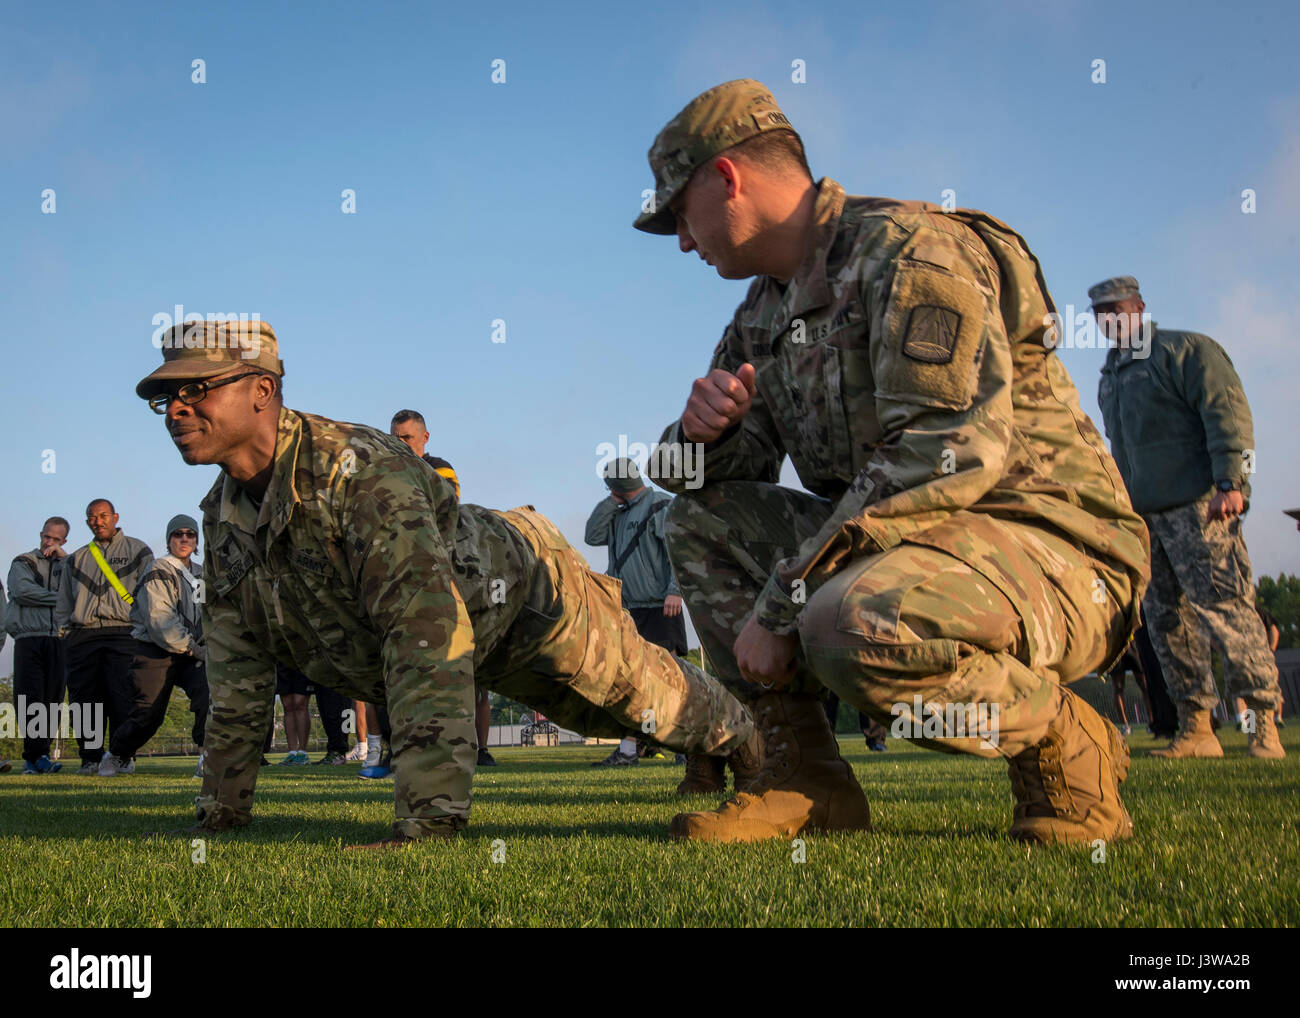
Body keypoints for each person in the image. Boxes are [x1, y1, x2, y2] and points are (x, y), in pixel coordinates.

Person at [637, 79, 1149, 845]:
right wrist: (694, 438)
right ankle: (806, 781)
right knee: (701, 521)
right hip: (911, 556)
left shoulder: (912, 253)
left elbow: (941, 457)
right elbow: (699, 482)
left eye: (680, 212)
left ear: (726, 178)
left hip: (1056, 551)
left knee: (850, 619)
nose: (682, 239)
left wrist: (783, 605)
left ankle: (1064, 736)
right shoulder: (763, 316)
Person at [136, 318, 752, 847]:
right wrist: (221, 814)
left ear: (263, 390)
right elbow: (237, 676)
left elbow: (422, 631)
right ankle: (704, 749)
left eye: (198, 389)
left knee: (632, 690)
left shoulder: (356, 472)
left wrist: (429, 821)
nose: (178, 409)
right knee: (604, 714)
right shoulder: (222, 518)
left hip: (530, 588)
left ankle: (753, 745)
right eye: (167, 397)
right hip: (474, 630)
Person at [1093, 275, 1285, 760]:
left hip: (1201, 508)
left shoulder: (1186, 351)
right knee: (1165, 623)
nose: (1109, 321)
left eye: (1118, 310)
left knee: (1227, 610)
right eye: (1100, 315)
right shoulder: (1110, 376)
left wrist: (1232, 485)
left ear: (1138, 308)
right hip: (1145, 521)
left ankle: (1265, 723)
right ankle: (1196, 728)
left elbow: (1229, 416)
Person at [584, 457, 762, 790]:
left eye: (611, 486)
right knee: (627, 678)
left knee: (674, 679)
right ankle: (628, 749)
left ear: (618, 485)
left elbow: (675, 551)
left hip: (661, 606)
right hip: (628, 608)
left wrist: (674, 590)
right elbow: (591, 536)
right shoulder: (616, 513)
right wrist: (611, 501)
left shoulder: (659, 506)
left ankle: (688, 749)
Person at [389, 414, 496, 766]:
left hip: (447, 574)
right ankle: (402, 748)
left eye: (407, 437)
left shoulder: (440, 469)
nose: (400, 443)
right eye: (395, 437)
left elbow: (442, 508)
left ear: (425, 437)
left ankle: (479, 749)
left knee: (469, 670)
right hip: (405, 580)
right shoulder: (387, 472)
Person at [97, 515, 210, 777]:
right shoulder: (157, 569)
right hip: (156, 649)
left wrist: (206, 645)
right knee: (148, 714)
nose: (184, 539)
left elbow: (206, 614)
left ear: (196, 541)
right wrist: (194, 647)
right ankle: (118, 754)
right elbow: (160, 621)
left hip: (192, 649)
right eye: (178, 534)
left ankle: (208, 756)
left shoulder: (201, 575)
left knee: (209, 694)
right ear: (169, 539)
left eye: (190, 534)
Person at [55, 500, 154, 775]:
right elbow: (63, 600)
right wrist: (63, 631)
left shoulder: (138, 550)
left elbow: (151, 591)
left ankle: (123, 756)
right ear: (87, 521)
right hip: (83, 635)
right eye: (92, 517)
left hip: (123, 632)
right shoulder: (76, 558)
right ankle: (90, 758)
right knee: (84, 700)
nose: (97, 521)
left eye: (103, 515)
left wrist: (147, 628)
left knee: (122, 697)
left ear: (115, 517)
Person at [5, 517, 71, 774]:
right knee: (30, 698)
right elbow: (22, 592)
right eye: (47, 536)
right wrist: (61, 599)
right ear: (41, 534)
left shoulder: (69, 564)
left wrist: (65, 559)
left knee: (52, 700)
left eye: (56, 539)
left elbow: (80, 589)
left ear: (64, 541)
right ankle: (35, 755)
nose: (49, 542)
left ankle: (38, 757)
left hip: (58, 638)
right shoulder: (23, 561)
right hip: (29, 637)